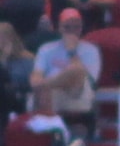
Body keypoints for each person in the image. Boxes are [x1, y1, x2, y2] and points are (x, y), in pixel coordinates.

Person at [29, 8, 101, 138]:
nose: (72, 31)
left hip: (78, 92)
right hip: (51, 94)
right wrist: (54, 83)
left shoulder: (91, 50)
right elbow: (35, 79)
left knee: (76, 71)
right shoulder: (46, 49)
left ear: (81, 28)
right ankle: (53, 131)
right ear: (59, 28)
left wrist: (72, 51)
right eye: (67, 27)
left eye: (76, 27)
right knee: (44, 87)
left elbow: (89, 80)